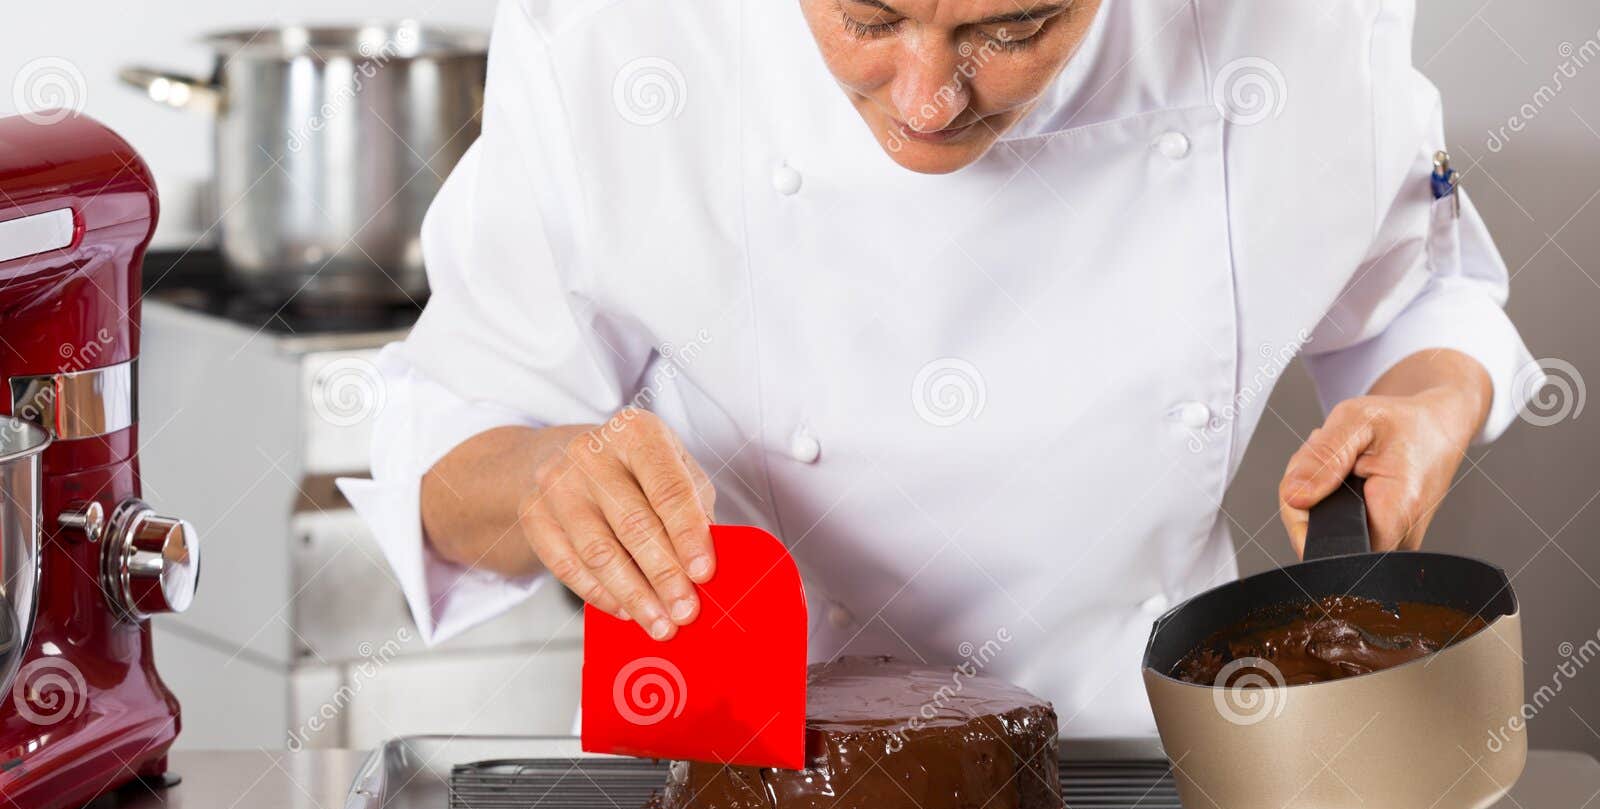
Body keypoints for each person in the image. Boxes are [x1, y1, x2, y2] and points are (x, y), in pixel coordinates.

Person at [343, 0, 1535, 736]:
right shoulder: (620, 32)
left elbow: (1418, 295)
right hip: (738, 779)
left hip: (1142, 770)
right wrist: (545, 476)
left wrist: (1431, 402)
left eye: (1009, 30)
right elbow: (453, 447)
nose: (926, 100)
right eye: (867, 19)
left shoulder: (1292, 25)